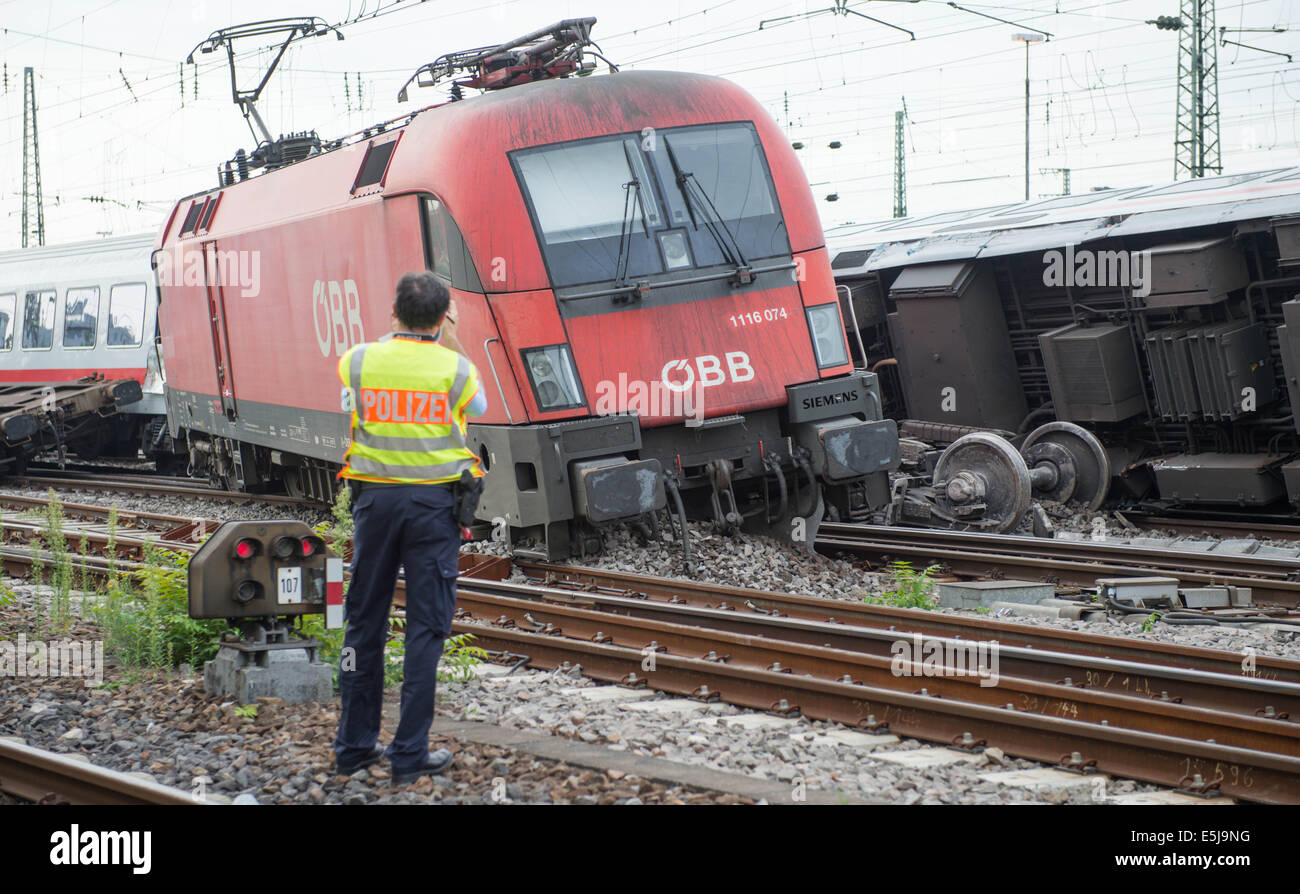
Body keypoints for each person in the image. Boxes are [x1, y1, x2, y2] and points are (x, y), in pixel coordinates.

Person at [332, 271, 487, 787]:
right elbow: (480, 409)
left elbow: (352, 402)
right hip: (433, 509)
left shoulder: (357, 361)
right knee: (426, 629)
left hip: (373, 506)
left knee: (362, 620)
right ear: (443, 319)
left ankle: (353, 748)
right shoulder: (456, 370)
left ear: (392, 311)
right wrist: (453, 336)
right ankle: (408, 755)